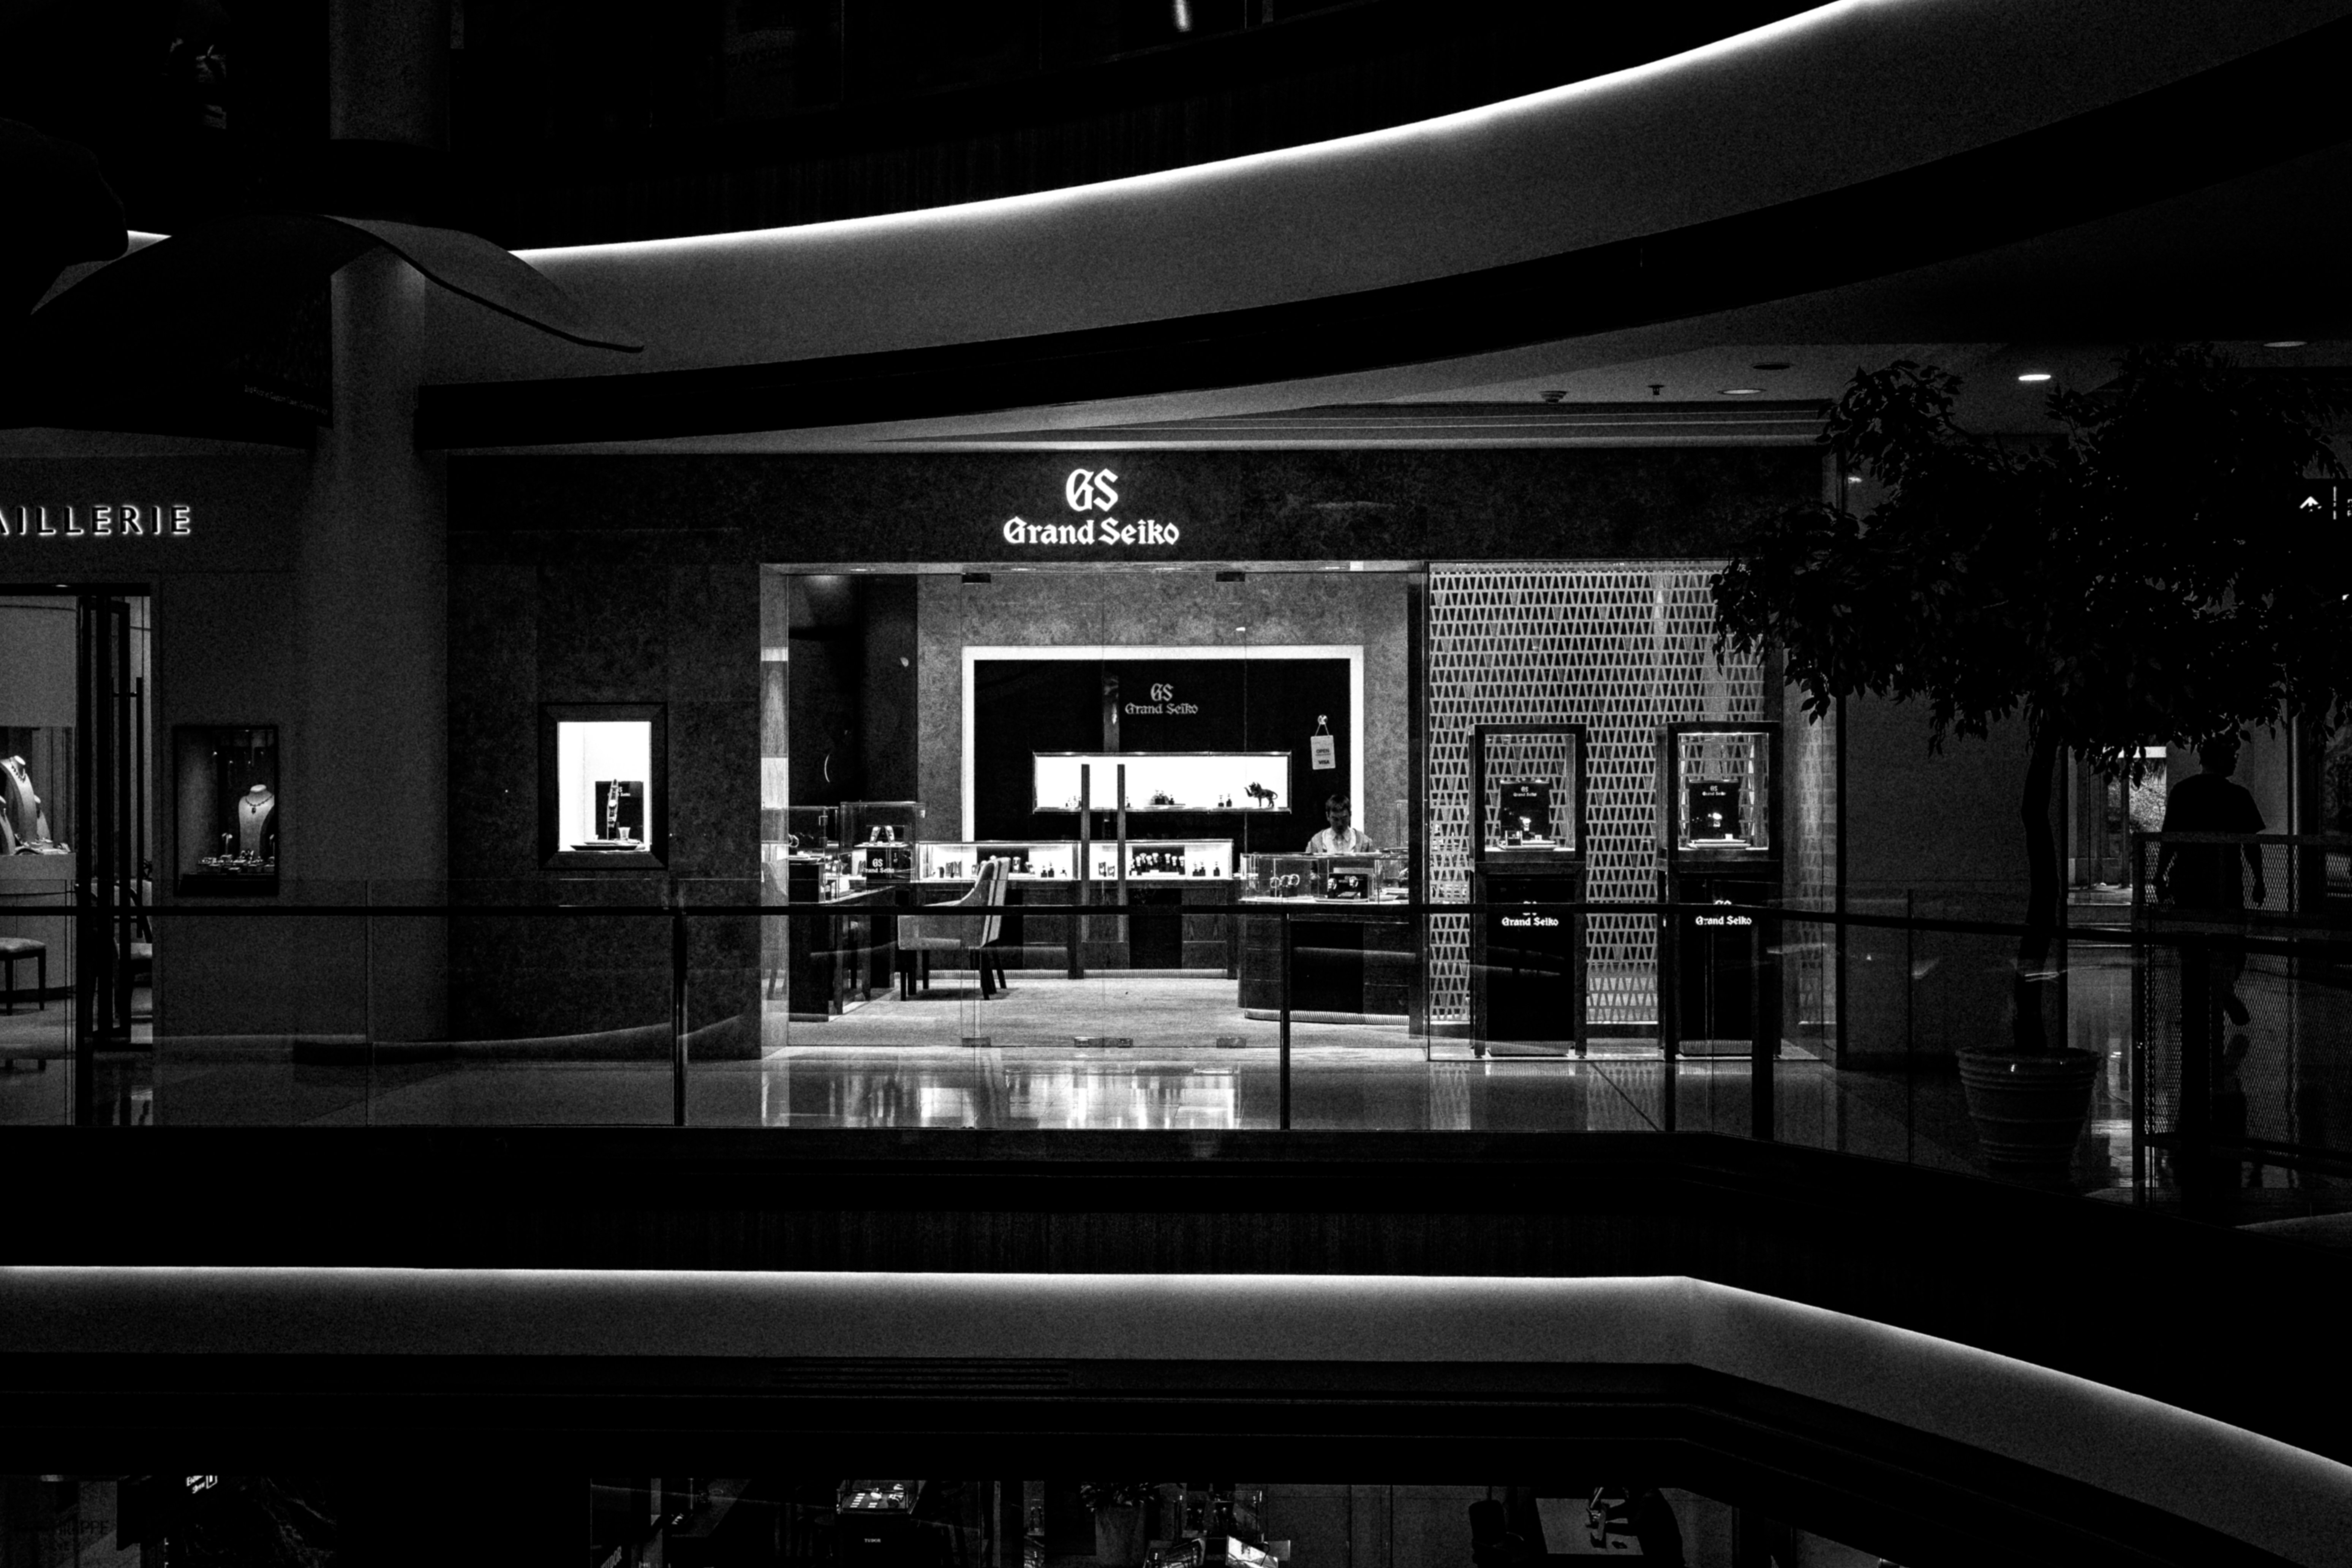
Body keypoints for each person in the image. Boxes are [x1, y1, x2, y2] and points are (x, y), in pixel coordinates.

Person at [2155, 733, 2267, 1025]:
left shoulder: (2182, 792)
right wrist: (2259, 879)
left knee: (2191, 945)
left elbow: (2170, 839)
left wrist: (2159, 874)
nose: (2235, 761)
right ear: (2220, 759)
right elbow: (2251, 844)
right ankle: (2222, 991)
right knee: (2231, 944)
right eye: (2232, 757)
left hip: (2188, 881)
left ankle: (2202, 1003)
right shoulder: (2237, 796)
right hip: (2226, 882)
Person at [1305, 793, 1374, 854]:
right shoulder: (1317, 842)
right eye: (1335, 819)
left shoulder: (1364, 842)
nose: (1340, 824)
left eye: (1344, 819)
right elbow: (1308, 868)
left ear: (1350, 815)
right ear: (1328, 816)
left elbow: (1376, 867)